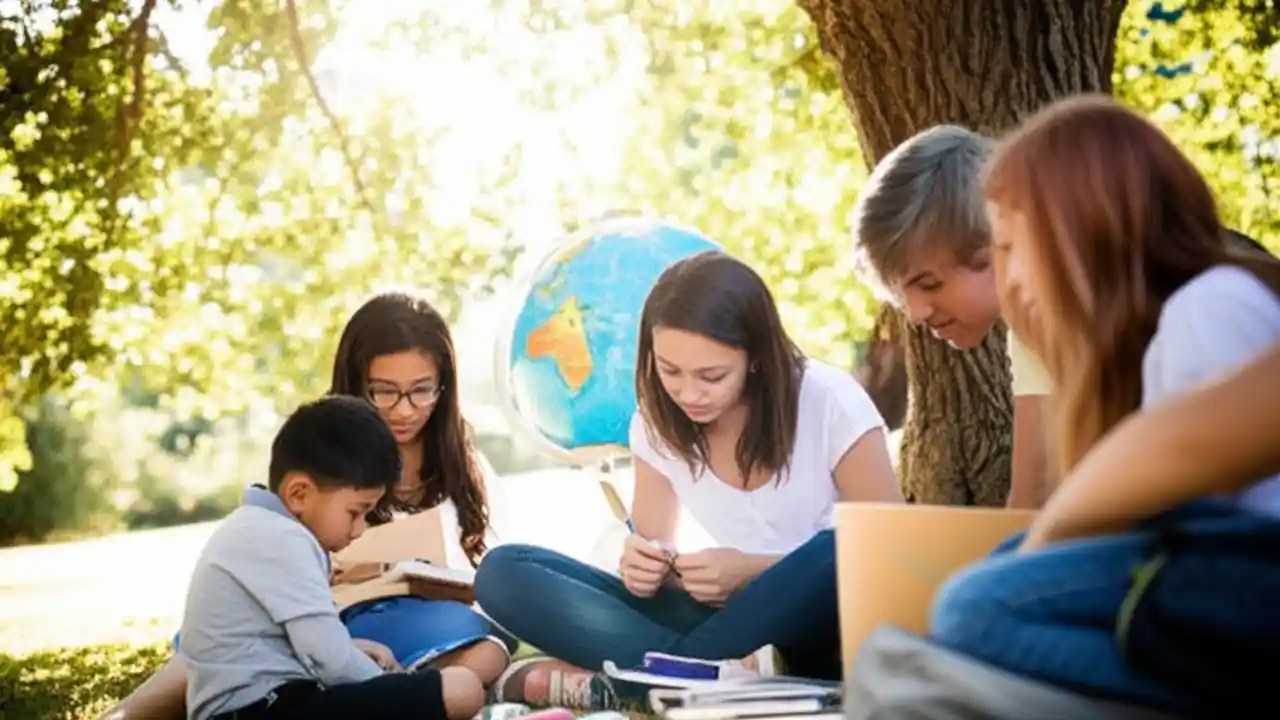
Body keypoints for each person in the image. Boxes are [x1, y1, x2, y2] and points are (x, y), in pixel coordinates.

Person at [928, 94, 1280, 713]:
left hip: (1249, 583)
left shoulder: (1209, 306)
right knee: (999, 571)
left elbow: (1202, 517)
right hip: (1219, 589)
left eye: (1010, 247)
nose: (1009, 282)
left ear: (1081, 227)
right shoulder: (1153, 340)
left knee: (976, 609)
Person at [474, 251, 903, 709]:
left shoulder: (828, 400)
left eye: (711, 376)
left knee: (835, 548)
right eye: (670, 371)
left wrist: (751, 572)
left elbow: (894, 551)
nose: (688, 394)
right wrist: (645, 564)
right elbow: (656, 557)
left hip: (830, 623)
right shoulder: (658, 423)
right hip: (731, 626)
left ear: (756, 357)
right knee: (505, 571)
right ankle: (707, 674)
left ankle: (673, 676)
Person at [104, 292, 509, 720]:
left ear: (442, 388)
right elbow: (286, 591)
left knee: (487, 649)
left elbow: (478, 568)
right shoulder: (325, 452)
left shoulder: (461, 464)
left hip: (402, 622)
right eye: (384, 392)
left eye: (422, 391)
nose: (404, 410)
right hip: (321, 617)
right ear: (356, 382)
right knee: (213, 640)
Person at [179, 395, 484, 720]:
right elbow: (331, 661)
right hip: (266, 709)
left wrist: (357, 651)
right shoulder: (283, 539)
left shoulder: (256, 528)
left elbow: (299, 643)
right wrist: (389, 690)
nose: (360, 529)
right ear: (299, 494)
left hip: (259, 704)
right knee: (460, 688)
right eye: (356, 512)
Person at [849, 125, 1053, 509]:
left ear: (993, 247)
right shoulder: (1029, 329)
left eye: (929, 284)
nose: (915, 314)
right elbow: (1031, 492)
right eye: (902, 295)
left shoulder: (1073, 305)